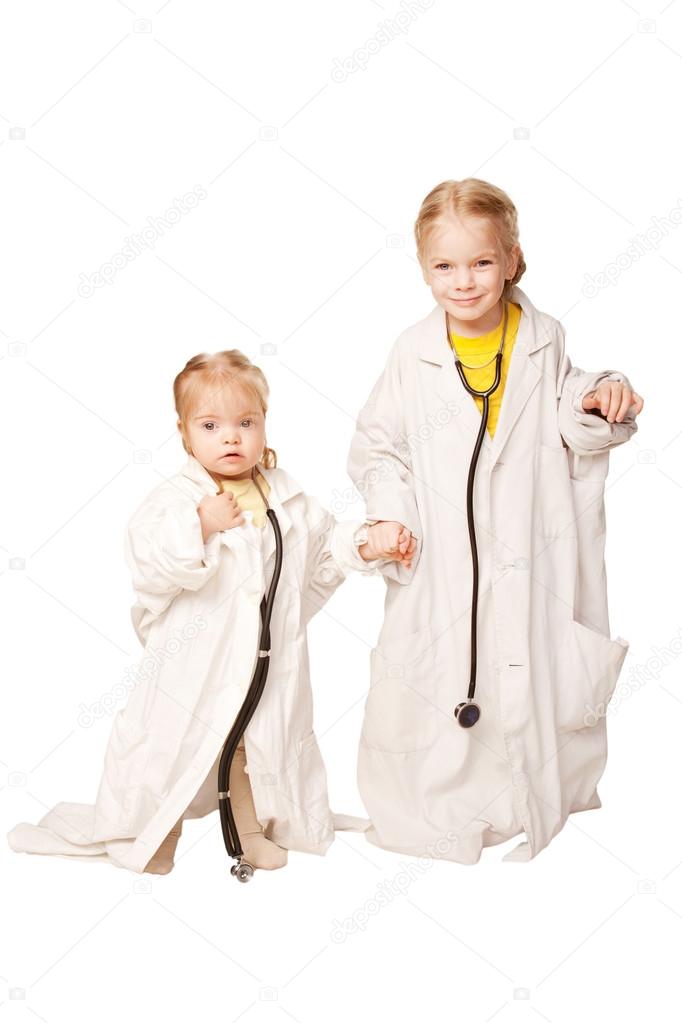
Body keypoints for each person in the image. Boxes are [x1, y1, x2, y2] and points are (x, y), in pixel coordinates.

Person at [7, 350, 416, 875]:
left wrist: (366, 542)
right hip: (194, 661)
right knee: (170, 747)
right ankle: (154, 834)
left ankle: (249, 834)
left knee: (249, 748)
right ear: (185, 434)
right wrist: (198, 526)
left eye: (246, 423)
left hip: (262, 665)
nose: (231, 437)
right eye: (211, 425)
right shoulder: (178, 500)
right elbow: (148, 558)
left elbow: (320, 551)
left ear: (265, 425)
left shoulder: (286, 498)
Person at [346, 177, 644, 865]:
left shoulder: (543, 338)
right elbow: (375, 445)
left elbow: (574, 411)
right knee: (446, 681)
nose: (463, 281)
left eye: (481, 262)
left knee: (526, 674)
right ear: (423, 270)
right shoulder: (411, 353)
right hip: (442, 559)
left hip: (530, 554)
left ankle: (522, 796)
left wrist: (601, 398)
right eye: (443, 266)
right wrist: (391, 513)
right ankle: (448, 803)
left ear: (512, 259)